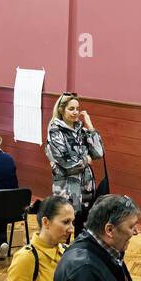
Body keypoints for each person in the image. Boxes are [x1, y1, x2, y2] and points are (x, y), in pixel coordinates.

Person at [46, 92, 103, 236]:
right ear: (61, 110)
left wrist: (90, 127)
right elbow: (67, 163)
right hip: (67, 189)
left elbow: (98, 153)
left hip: (86, 189)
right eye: (71, 109)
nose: (76, 112)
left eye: (77, 109)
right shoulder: (55, 131)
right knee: (64, 232)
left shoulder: (81, 130)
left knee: (82, 231)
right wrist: (86, 160)